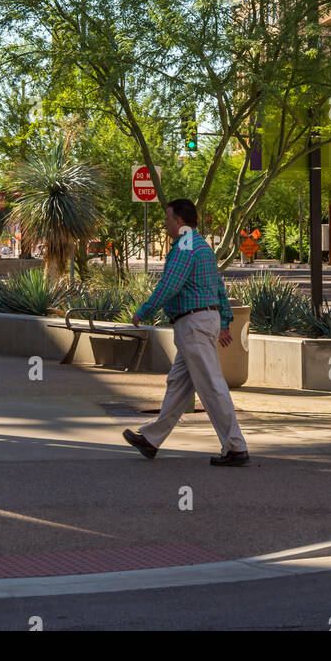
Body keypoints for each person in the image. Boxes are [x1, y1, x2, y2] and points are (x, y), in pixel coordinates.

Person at [122, 198, 249, 467]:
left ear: (179, 221)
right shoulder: (201, 245)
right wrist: (224, 320)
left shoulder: (186, 245)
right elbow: (218, 287)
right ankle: (151, 439)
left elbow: (170, 284)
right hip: (200, 322)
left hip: (193, 324)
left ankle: (236, 447)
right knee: (178, 384)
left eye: (168, 219)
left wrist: (143, 311)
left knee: (212, 387)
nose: (166, 224)